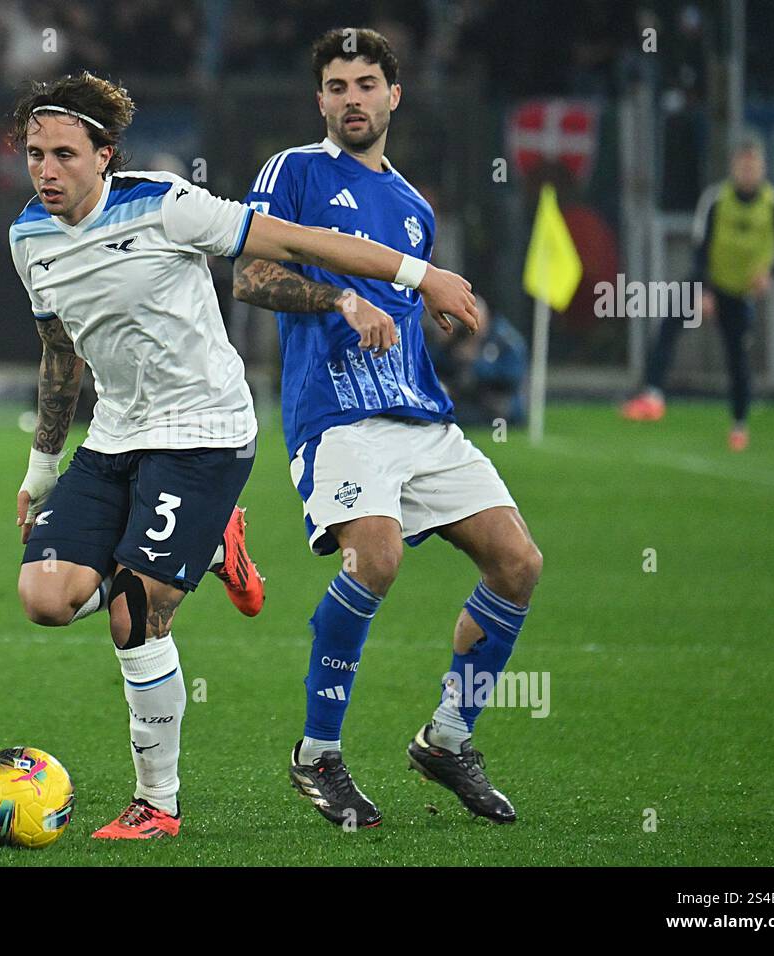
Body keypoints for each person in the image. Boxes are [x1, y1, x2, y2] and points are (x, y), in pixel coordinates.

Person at [9, 71, 477, 839]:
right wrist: (42, 465)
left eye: (63, 153)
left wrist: (419, 274)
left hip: (204, 432)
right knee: (45, 599)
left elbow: (295, 241)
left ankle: (156, 805)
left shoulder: (165, 203)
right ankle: (213, 544)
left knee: (135, 613)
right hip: (116, 436)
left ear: (105, 155)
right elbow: (59, 353)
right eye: (34, 154)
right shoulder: (27, 236)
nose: (46, 170)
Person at [234, 28, 538, 827]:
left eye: (366, 84)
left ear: (393, 95)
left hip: (420, 414)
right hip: (335, 416)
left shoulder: (414, 209)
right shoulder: (293, 171)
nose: (351, 99)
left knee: (517, 564)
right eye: (336, 87)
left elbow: (401, 304)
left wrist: (428, 310)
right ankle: (318, 754)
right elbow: (250, 273)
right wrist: (339, 298)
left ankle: (446, 739)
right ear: (320, 99)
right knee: (378, 555)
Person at [621, 139, 774, 451]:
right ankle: (653, 395)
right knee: (669, 322)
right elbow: (700, 247)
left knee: (737, 359)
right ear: (734, 167)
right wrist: (703, 290)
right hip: (709, 281)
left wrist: (771, 275)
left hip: (740, 293)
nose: (747, 171)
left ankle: (739, 425)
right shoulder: (717, 199)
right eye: (742, 165)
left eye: (753, 165)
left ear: (762, 168)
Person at [429, 296, 528, 426]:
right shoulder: (458, 337)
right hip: (467, 398)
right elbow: (436, 363)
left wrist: (477, 364)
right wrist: (451, 349)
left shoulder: (504, 339)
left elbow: (513, 374)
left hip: (498, 399)